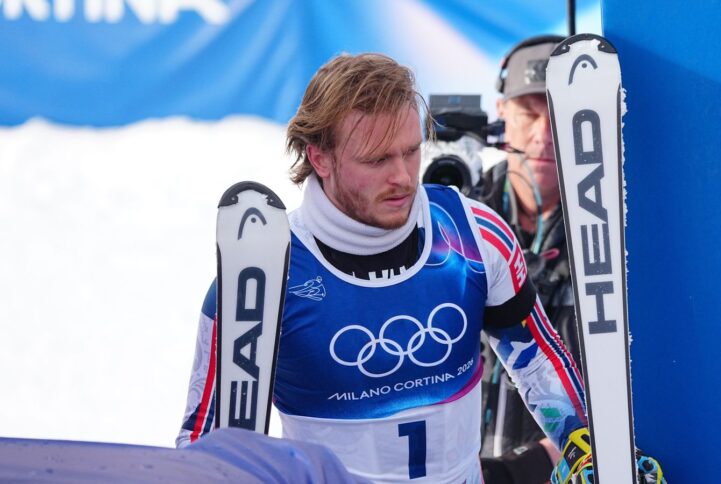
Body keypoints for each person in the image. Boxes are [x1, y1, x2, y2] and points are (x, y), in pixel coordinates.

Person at [176, 52, 588, 483]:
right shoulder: (264, 278)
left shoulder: (473, 235)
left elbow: (539, 363)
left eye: (411, 152)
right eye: (377, 160)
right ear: (320, 158)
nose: (405, 178)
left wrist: (586, 450)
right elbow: (207, 445)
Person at [476, 35, 583, 484]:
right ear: (502, 113)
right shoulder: (459, 222)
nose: (544, 134)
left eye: (557, 113)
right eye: (529, 113)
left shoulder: (614, 233)